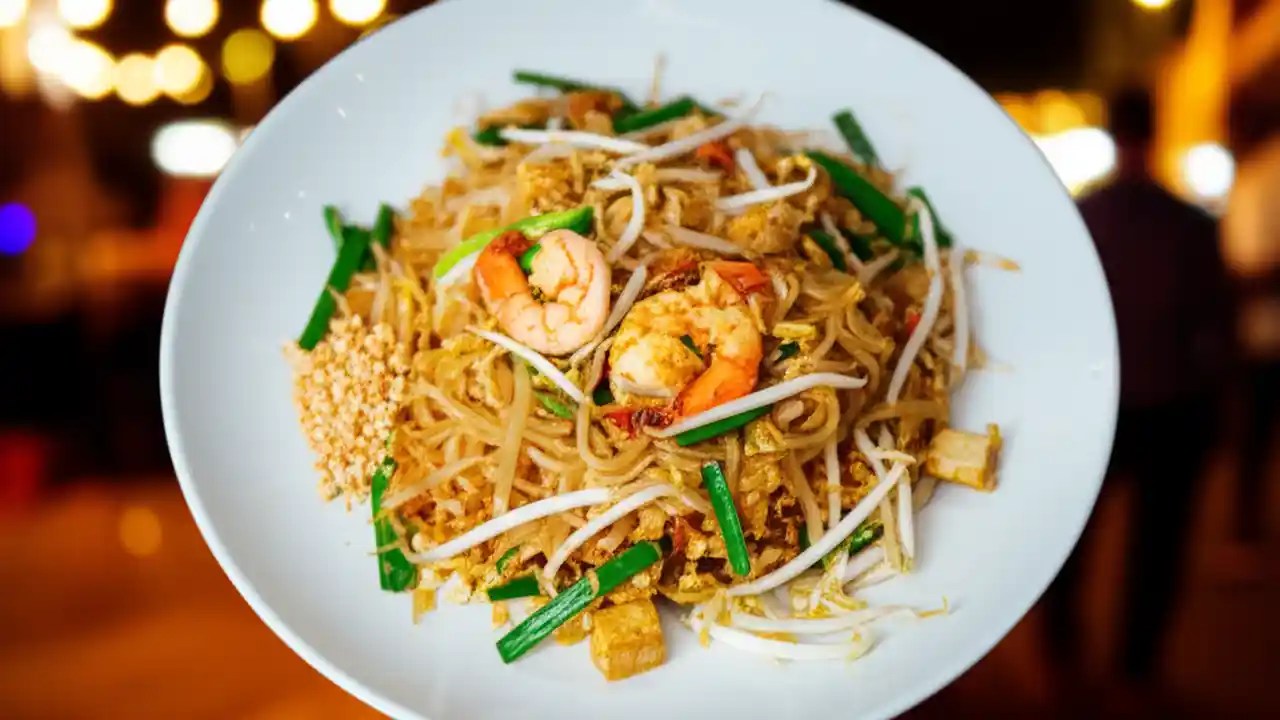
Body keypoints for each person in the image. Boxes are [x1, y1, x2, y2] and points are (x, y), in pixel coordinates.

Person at [1042, 88, 1232, 687]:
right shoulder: (1189, 222)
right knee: (1158, 548)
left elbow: (1052, 317)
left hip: (1091, 406)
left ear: (1112, 135)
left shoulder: (1082, 216)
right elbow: (1216, 322)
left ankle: (1061, 660)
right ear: (1153, 134)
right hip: (1173, 402)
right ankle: (1136, 668)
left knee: (1068, 538)